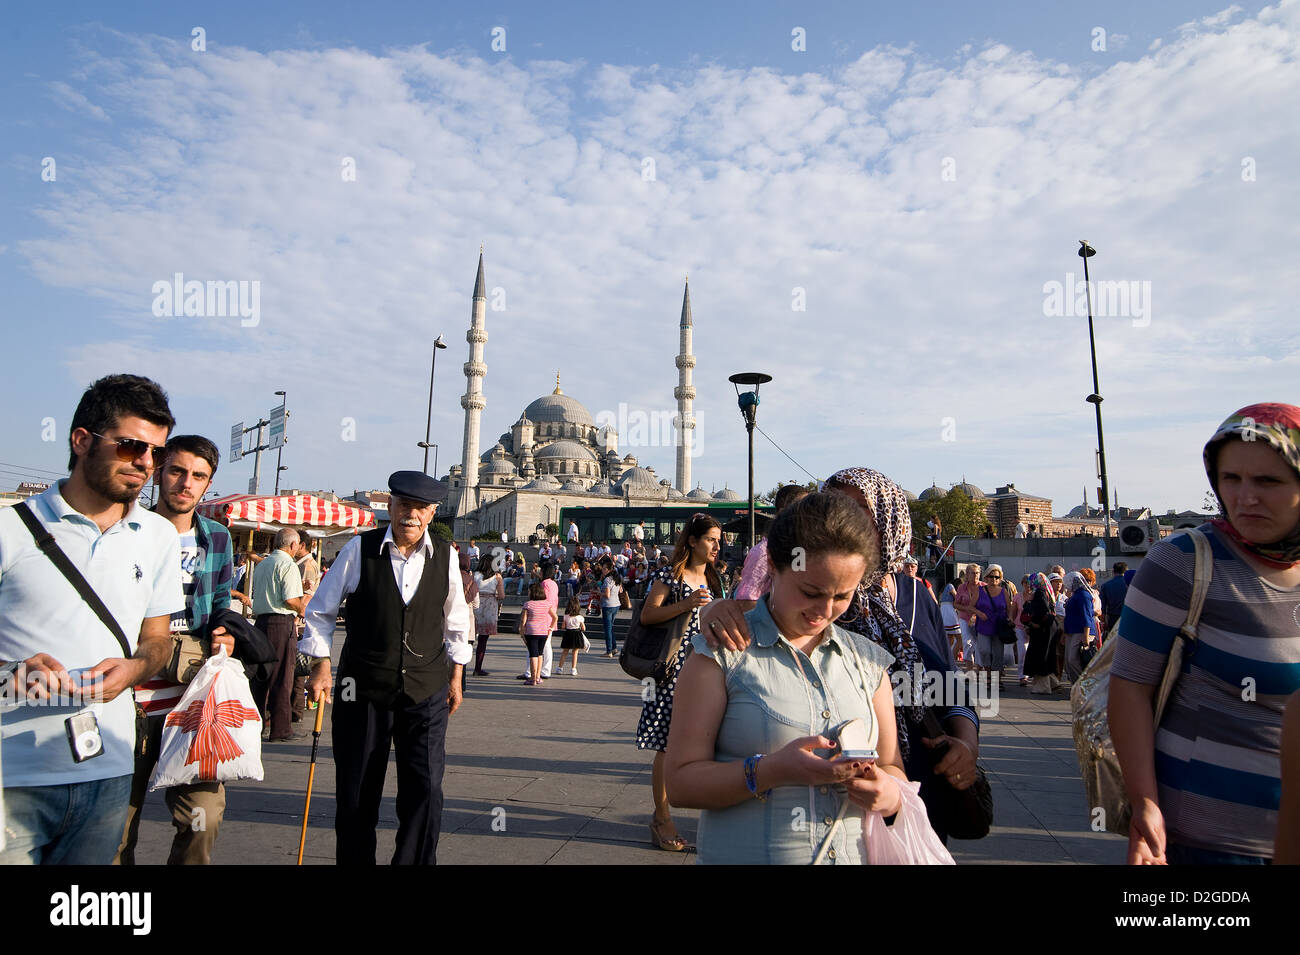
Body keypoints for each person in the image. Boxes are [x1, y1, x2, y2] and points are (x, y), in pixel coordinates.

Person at [699, 467, 980, 843]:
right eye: (834, 504)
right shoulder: (813, 595)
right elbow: (758, 610)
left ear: (888, 516)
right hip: (827, 795)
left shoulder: (915, 594)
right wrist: (713, 610)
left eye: (860, 507)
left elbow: (946, 682)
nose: (845, 517)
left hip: (916, 778)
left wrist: (965, 743)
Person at [665, 492, 906, 863]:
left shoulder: (867, 662)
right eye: (811, 592)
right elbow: (680, 784)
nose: (824, 611)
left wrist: (888, 794)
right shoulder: (721, 652)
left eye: (842, 595)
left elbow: (893, 768)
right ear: (774, 567)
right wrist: (770, 771)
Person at [0, 374, 183, 865]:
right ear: (82, 440)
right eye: (130, 447)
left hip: (107, 770)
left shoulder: (159, 536)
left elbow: (157, 640)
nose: (145, 464)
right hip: (13, 776)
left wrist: (134, 669)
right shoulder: (10, 530)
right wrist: (10, 675)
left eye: (156, 453)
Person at [1111, 403, 1300, 865]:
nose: (1244, 497)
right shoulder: (1183, 562)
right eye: (1231, 479)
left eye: (1267, 481)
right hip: (1207, 846)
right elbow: (1131, 687)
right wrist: (1145, 803)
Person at [302, 471, 472, 865]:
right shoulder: (359, 551)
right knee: (358, 788)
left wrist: (456, 677)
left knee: (426, 789)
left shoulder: (445, 556)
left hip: (425, 689)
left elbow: (457, 622)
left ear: (432, 513)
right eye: (403, 505)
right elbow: (320, 612)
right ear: (390, 507)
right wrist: (320, 666)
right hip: (361, 689)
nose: (410, 515)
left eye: (419, 508)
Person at [117, 434, 236, 866]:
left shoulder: (217, 539)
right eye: (177, 471)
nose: (186, 483)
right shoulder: (126, 532)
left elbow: (222, 603)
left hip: (192, 705)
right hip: (128, 702)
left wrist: (227, 632)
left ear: (208, 485)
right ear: (158, 473)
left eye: (199, 476)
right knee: (114, 830)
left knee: (203, 816)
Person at [637, 512, 724, 851]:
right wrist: (687, 604)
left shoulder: (716, 580)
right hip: (671, 671)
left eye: (719, 540)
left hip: (707, 670)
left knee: (706, 741)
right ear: (691, 540)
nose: (717, 546)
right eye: (710, 540)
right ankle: (662, 817)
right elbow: (648, 614)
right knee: (666, 744)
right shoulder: (670, 575)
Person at [250, 527, 308, 741]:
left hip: (261, 622)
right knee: (282, 676)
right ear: (293, 545)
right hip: (281, 623)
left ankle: (256, 724)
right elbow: (290, 599)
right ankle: (281, 729)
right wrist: (302, 608)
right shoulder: (288, 565)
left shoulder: (263, 563)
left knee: (260, 676)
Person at [734, 483, 810, 603]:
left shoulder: (800, 550)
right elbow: (747, 601)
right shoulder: (763, 552)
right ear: (783, 512)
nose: (807, 513)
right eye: (801, 507)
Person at [291, 531, 322, 723]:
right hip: (298, 621)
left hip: (300, 622)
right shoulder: (299, 564)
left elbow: (307, 597)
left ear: (301, 545)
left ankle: (296, 710)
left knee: (298, 668)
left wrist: (295, 620)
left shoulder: (308, 565)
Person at [517, 560, 557, 680]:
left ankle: (531, 672)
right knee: (545, 647)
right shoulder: (553, 584)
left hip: (540, 619)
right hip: (549, 618)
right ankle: (543, 671)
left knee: (534, 648)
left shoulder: (544, 584)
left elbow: (543, 599)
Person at [1022, 573, 1060, 694]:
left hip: (1042, 630)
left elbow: (1042, 610)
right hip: (1049, 628)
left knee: (1039, 656)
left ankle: (1043, 687)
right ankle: (1054, 684)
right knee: (1047, 656)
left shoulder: (1039, 593)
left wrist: (1034, 623)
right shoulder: (1047, 591)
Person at [1061, 570, 1099, 682]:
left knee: (1073, 659)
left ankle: (1082, 682)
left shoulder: (1083, 595)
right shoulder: (1075, 595)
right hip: (1071, 631)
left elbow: (1086, 615)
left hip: (1081, 631)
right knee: (1068, 661)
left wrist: (1086, 635)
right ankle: (1076, 684)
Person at [472, 561, 502, 676]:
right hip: (489, 607)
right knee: (483, 640)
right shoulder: (497, 577)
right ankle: (477, 667)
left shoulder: (475, 575)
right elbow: (502, 595)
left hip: (476, 603)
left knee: (469, 637)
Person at [953, 563, 982, 665]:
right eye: (973, 573)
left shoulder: (984, 587)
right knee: (967, 642)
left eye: (977, 573)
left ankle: (979, 667)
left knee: (979, 644)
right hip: (965, 618)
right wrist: (967, 608)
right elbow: (955, 604)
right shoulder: (962, 587)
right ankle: (969, 668)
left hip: (980, 619)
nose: (976, 575)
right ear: (967, 574)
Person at [1098, 561, 1129, 641]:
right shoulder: (1130, 585)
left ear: (1113, 571)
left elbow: (1103, 607)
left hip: (1113, 619)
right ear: (1126, 571)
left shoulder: (1106, 586)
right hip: (1127, 617)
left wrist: (1103, 623)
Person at [556, 596, 586, 675]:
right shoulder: (580, 617)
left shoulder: (566, 616)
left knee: (565, 652)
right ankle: (573, 669)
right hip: (576, 634)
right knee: (575, 652)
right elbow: (583, 628)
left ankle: (559, 668)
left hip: (568, 634)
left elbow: (563, 627)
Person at [598, 557, 621, 657]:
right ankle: (614, 648)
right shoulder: (617, 578)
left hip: (608, 605)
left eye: (604, 569)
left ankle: (609, 651)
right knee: (610, 627)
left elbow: (606, 595)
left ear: (608, 570)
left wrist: (599, 592)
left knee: (607, 629)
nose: (602, 570)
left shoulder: (607, 579)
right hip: (616, 604)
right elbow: (621, 591)